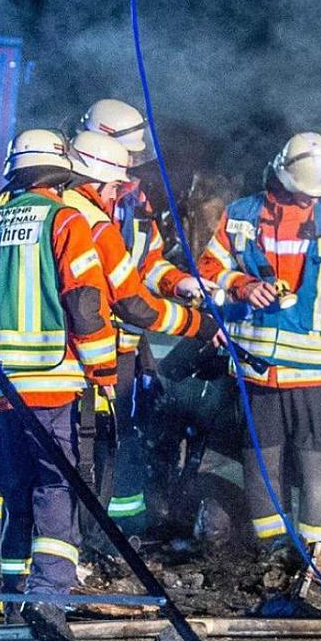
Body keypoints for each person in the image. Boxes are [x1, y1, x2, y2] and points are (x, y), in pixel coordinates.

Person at [0, 127, 136, 641]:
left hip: (0, 392)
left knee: (15, 495)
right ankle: (48, 599)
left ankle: (9, 598)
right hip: (54, 387)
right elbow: (85, 303)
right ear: (60, 174)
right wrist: (103, 375)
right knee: (58, 490)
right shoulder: (65, 220)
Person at [199, 132, 321, 552]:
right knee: (261, 466)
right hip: (257, 372)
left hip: (315, 378)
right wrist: (241, 285)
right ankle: (272, 554)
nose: (309, 203)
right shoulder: (240, 215)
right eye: (303, 194)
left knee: (317, 472)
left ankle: (319, 559)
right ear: (284, 177)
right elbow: (207, 270)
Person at [59, 127, 209, 533]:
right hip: (84, 347)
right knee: (84, 440)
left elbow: (150, 264)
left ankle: (116, 534)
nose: (133, 180)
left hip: (118, 346)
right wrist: (197, 325)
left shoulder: (134, 205)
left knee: (118, 437)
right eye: (124, 169)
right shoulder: (83, 214)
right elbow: (129, 299)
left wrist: (179, 283)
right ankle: (86, 534)